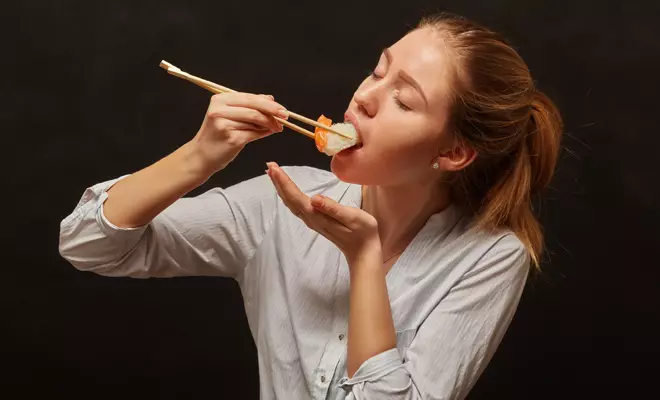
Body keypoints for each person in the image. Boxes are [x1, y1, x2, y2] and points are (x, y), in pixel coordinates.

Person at [59, 13, 562, 400]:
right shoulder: (280, 204)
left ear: (452, 153)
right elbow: (88, 245)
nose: (365, 97)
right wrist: (199, 157)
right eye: (377, 72)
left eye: (404, 101)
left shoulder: (492, 255)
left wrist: (364, 260)